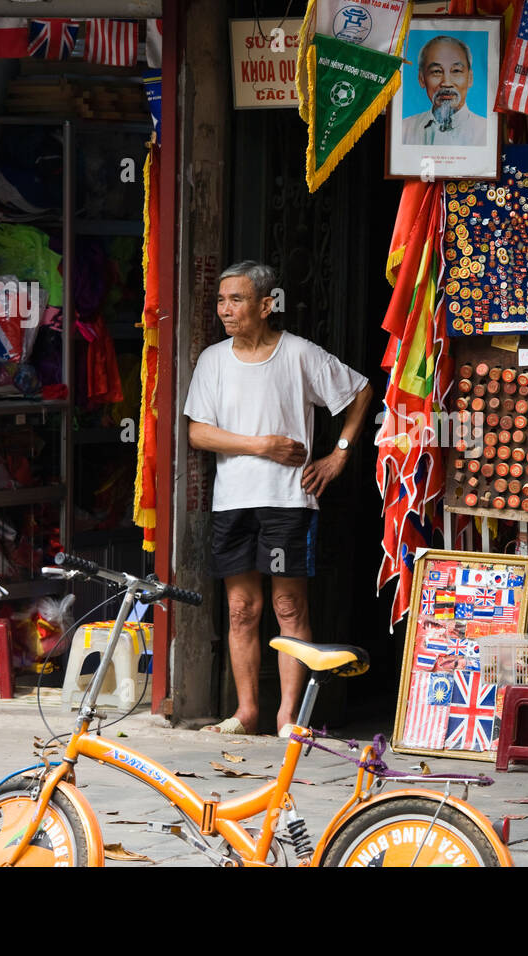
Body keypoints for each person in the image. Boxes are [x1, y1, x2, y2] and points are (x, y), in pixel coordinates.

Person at [183, 261, 373, 735]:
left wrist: (338, 456)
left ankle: (289, 716)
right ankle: (247, 712)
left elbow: (362, 392)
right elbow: (198, 433)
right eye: (222, 300)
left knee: (289, 608)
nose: (226, 309)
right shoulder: (213, 360)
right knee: (242, 610)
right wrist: (260, 445)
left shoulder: (298, 354)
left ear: (267, 305)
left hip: (289, 501)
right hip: (233, 502)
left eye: (237, 299)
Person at [401, 35, 487, 147]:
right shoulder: (404, 130)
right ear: (421, 78)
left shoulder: (486, 132)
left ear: (470, 78)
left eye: (456, 70)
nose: (446, 83)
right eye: (436, 71)